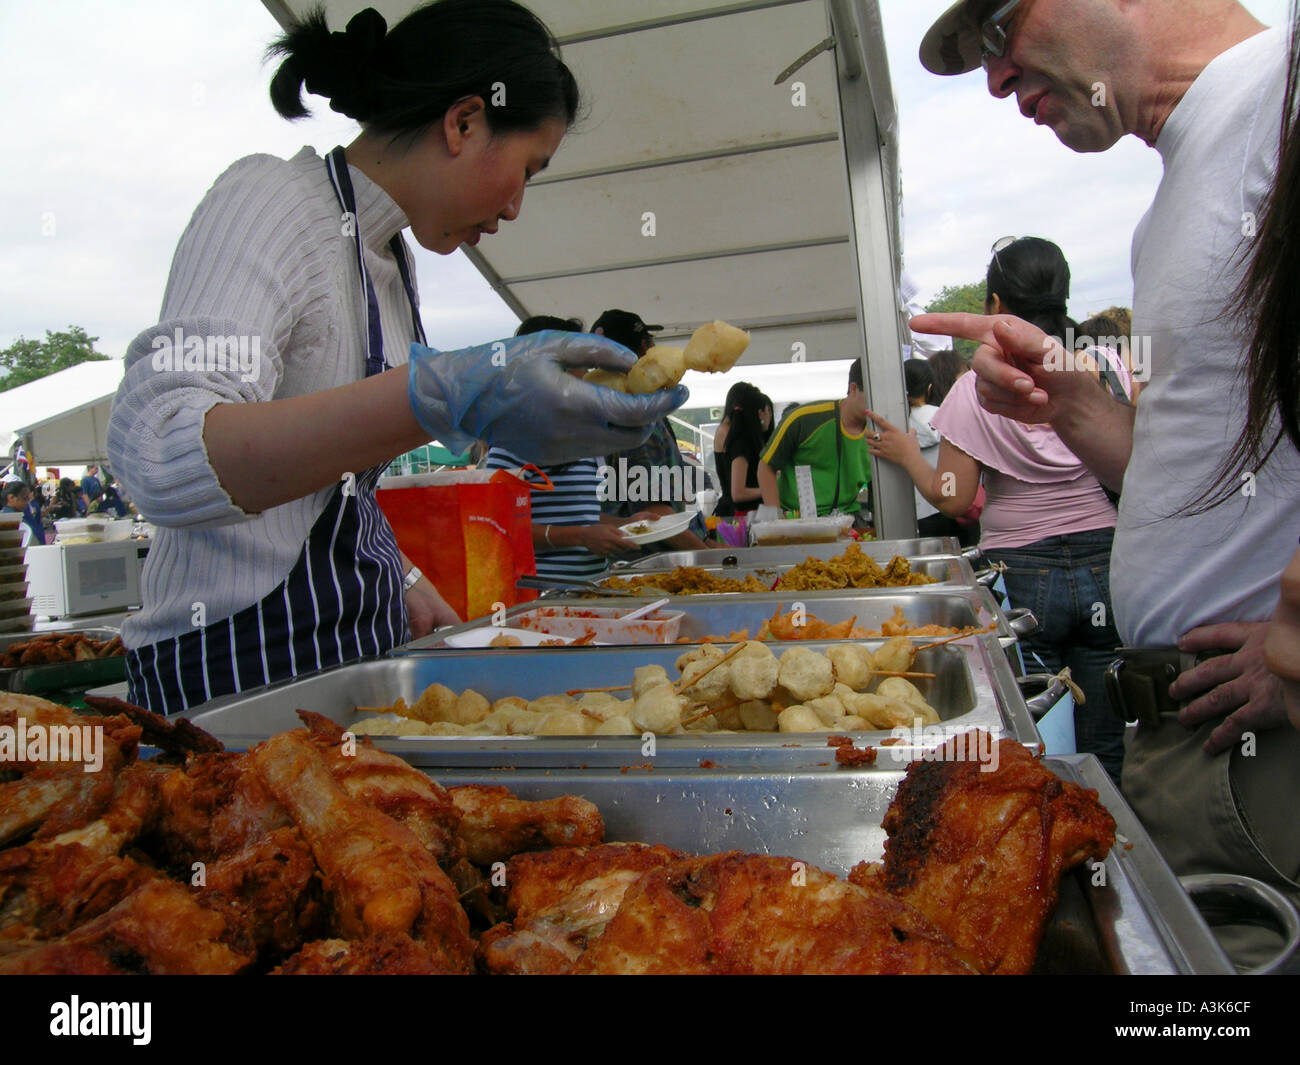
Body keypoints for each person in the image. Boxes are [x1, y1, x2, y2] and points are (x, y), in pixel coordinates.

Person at [106, 1, 684, 716]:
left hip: (350, 654)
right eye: (529, 169)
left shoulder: (389, 261)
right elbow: (163, 454)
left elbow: (329, 489)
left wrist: (403, 578)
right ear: (464, 122)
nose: (515, 209)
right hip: (235, 669)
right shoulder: (269, 201)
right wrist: (434, 395)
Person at [917, 0, 1300, 961]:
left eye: (998, 31)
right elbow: (1204, 477)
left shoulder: (1283, 98)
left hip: (1263, 734)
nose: (996, 80)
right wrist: (1069, 402)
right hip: (1199, 742)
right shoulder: (1177, 192)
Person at [871, 237, 1129, 782]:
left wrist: (905, 455)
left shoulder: (975, 386)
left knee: (1041, 726)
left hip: (1022, 571)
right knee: (1107, 729)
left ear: (993, 306)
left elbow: (954, 497)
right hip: (1109, 559)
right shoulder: (1105, 364)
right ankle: (1112, 841)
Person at [485, 315, 641, 579]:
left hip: (589, 588)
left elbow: (580, 517)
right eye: (576, 362)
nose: (586, 373)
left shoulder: (583, 437)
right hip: (542, 595)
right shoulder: (512, 441)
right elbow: (501, 527)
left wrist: (627, 525)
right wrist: (580, 536)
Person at [595, 309, 711, 551]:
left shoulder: (604, 410)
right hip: (654, 563)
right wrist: (708, 559)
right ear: (647, 351)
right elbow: (655, 514)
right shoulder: (636, 417)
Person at [757, 360, 871, 523]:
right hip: (798, 520)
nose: (879, 404)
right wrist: (777, 521)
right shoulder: (803, 419)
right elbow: (766, 466)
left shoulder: (882, 429)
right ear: (853, 389)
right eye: (873, 395)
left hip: (848, 520)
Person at [712, 382, 771, 518]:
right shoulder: (739, 441)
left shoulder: (729, 432)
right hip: (738, 515)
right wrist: (769, 489)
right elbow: (738, 493)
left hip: (733, 511)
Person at [1, 481, 42, 548]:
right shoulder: (12, 521)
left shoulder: (14, 516)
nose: (27, 503)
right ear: (11, 498)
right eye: (25, 499)